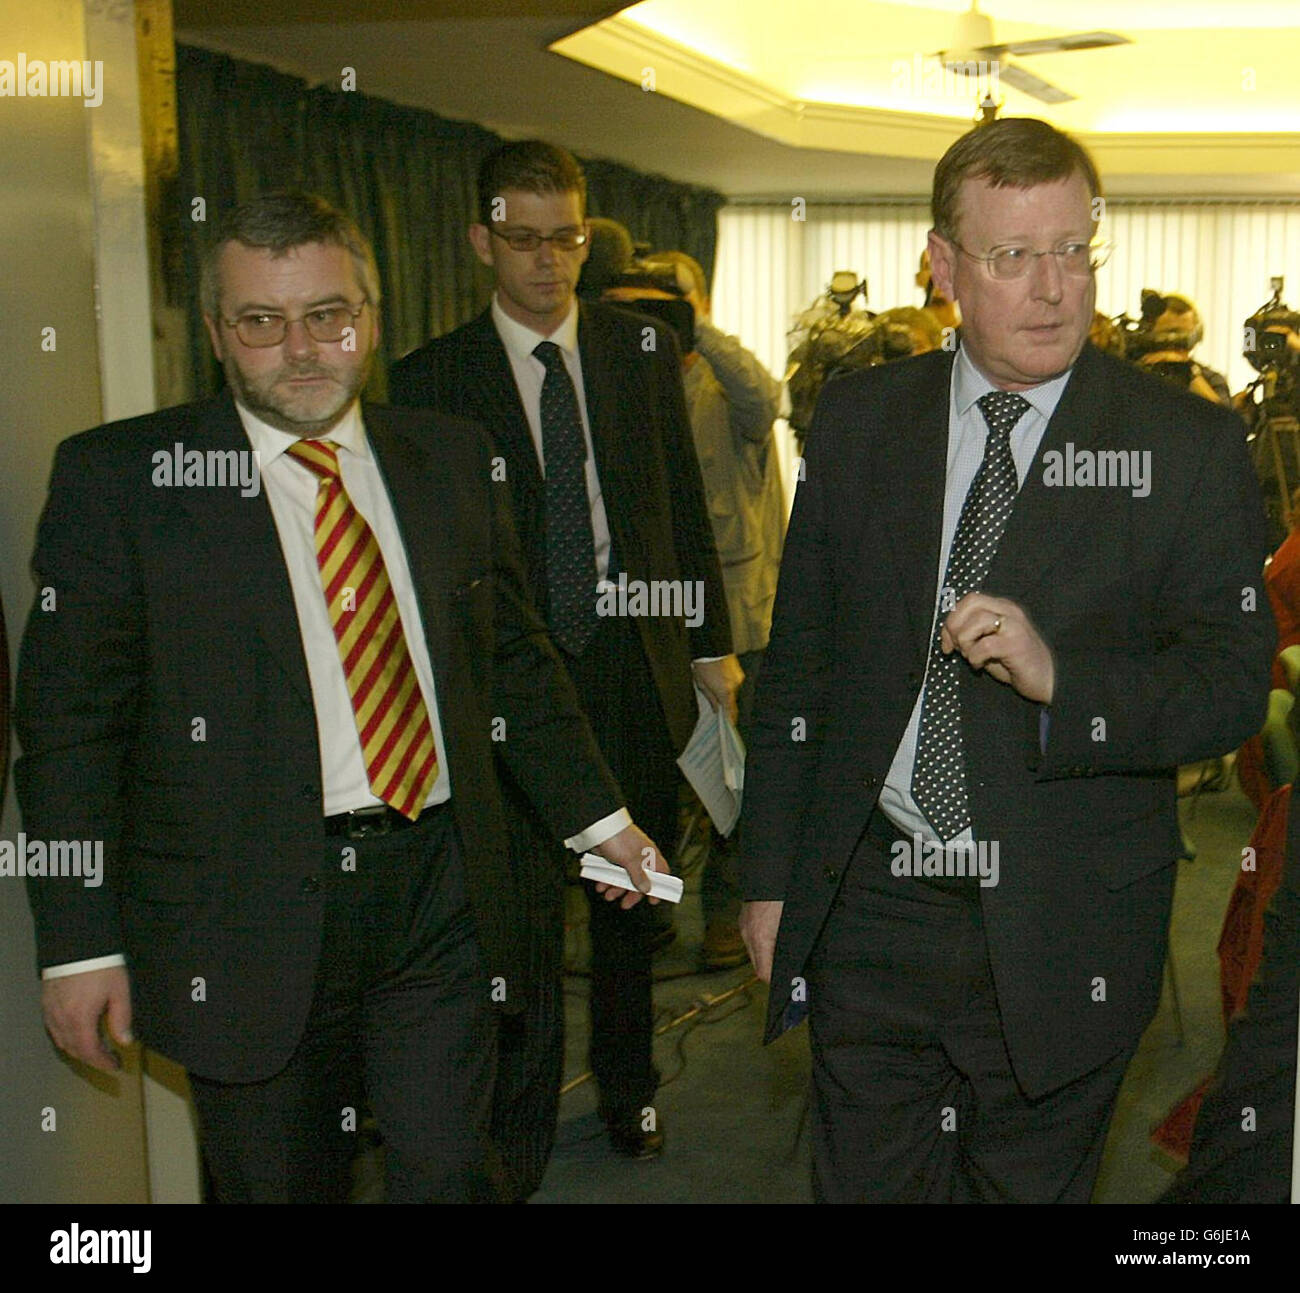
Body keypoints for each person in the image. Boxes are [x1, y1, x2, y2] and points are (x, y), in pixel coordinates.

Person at [15, 191, 668, 1205]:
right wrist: (80, 945)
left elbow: (513, 662)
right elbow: (66, 732)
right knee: (281, 1185)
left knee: (452, 1172)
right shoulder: (126, 482)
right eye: (263, 323)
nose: (304, 350)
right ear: (220, 336)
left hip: (437, 886)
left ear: (370, 314)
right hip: (242, 909)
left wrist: (602, 817)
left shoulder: (447, 458)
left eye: (330, 315)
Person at [738, 117, 1275, 1204]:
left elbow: (1228, 683)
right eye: (1012, 256)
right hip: (870, 903)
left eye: (1075, 250)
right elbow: (798, 667)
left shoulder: (1187, 446)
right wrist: (765, 882)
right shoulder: (855, 424)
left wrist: (1062, 681)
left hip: (1062, 915)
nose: (1054, 288)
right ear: (940, 269)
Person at [388, 141, 738, 1167]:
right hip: (507, 683)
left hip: (633, 668)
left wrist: (710, 645)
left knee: (637, 897)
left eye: (567, 238)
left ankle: (630, 1088)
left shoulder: (638, 349)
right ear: (481, 242)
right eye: (524, 239)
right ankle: (516, 1115)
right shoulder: (431, 376)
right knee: (520, 914)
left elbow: (681, 503)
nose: (548, 262)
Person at [634, 248, 786, 967]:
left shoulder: (728, 390)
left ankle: (727, 915)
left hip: (740, 617)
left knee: (735, 780)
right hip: (653, 617)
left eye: (671, 300)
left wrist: (698, 327)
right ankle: (650, 910)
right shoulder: (626, 374)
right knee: (656, 777)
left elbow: (769, 396)